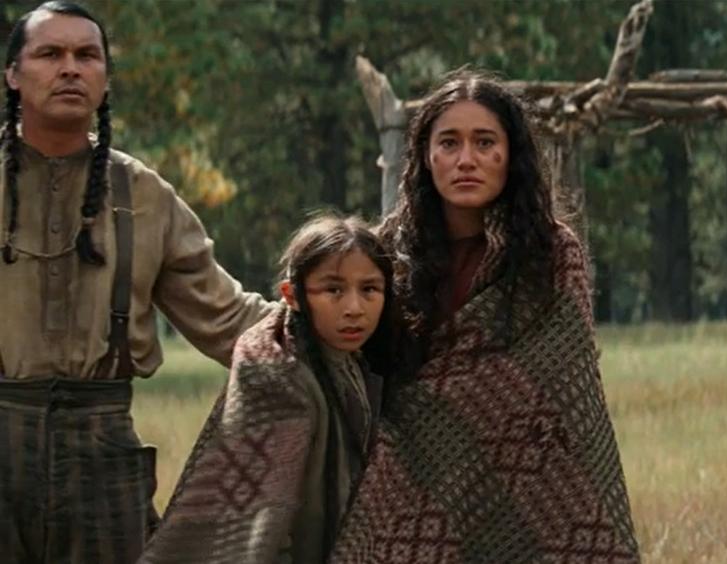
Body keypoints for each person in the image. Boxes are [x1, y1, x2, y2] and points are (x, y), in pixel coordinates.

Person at [328, 71, 639, 563]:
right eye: (449, 143)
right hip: (404, 476)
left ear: (510, 155)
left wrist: (453, 412)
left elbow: (562, 385)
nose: (466, 159)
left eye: (484, 142)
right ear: (426, 157)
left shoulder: (551, 253)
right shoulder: (385, 252)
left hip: (530, 483)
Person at [0, 2, 272, 562]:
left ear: (104, 76)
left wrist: (331, 311)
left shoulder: (144, 195)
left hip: (103, 455)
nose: (70, 68)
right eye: (50, 54)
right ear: (12, 74)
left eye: (87, 55)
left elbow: (230, 321)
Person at [140, 214, 395, 563]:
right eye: (333, 290)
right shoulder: (275, 375)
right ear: (292, 296)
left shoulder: (361, 366)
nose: (354, 308)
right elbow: (262, 519)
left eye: (369, 289)